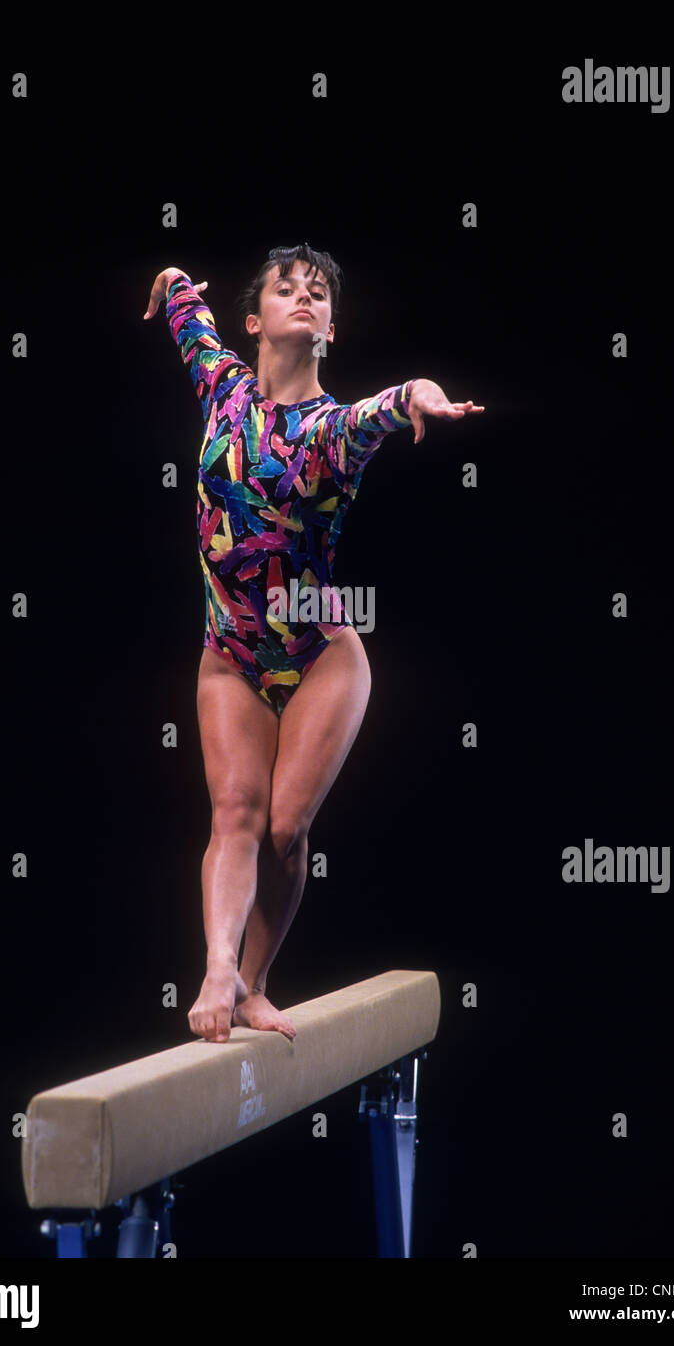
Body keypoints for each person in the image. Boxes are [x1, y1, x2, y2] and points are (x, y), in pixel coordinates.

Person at [143, 243, 484, 1042]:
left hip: (321, 653)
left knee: (285, 828)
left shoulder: (332, 432)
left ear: (330, 326)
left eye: (320, 292)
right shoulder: (221, 386)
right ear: (255, 319)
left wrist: (425, 396)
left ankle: (256, 978)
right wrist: (172, 283)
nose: (306, 297)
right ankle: (220, 969)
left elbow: (392, 404)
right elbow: (187, 316)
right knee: (233, 812)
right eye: (288, 288)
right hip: (228, 653)